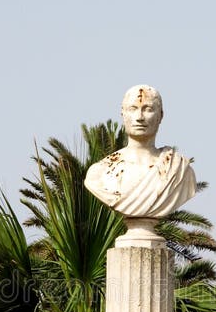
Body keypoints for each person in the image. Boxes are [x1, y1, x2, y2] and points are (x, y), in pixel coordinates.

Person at [84, 85, 196, 218]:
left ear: (160, 116)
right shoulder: (100, 173)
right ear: (123, 114)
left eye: (148, 109)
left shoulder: (178, 169)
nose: (139, 117)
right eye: (133, 109)